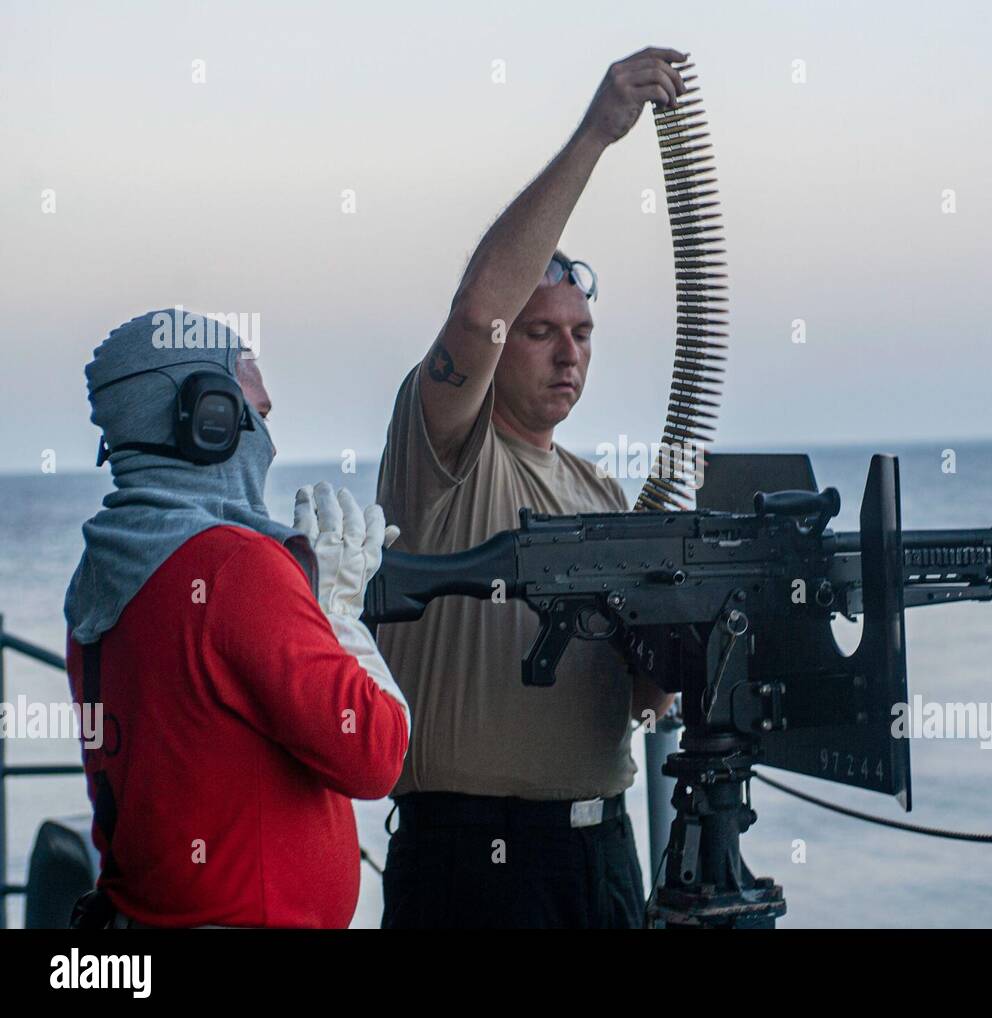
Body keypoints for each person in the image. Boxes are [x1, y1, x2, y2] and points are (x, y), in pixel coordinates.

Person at [376, 46, 689, 929]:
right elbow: (477, 312)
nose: (569, 352)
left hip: (600, 853)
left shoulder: (599, 490)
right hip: (473, 862)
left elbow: (636, 699)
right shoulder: (444, 450)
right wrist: (596, 135)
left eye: (583, 333)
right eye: (542, 331)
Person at [64, 309, 409, 928]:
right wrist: (337, 614)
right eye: (258, 413)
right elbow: (378, 755)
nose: (269, 440)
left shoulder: (100, 571)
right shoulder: (237, 568)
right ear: (208, 422)